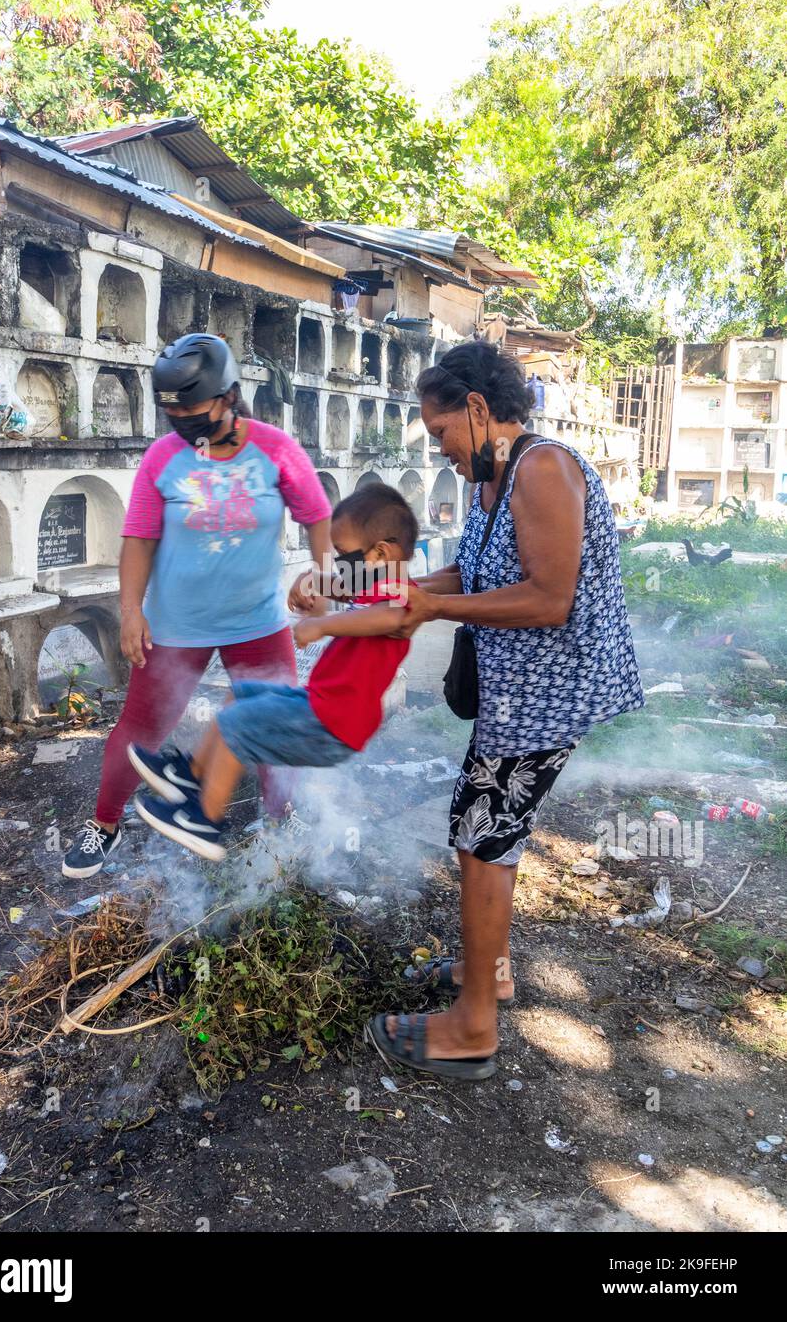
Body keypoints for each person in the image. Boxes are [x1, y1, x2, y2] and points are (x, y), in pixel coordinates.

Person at [365, 341, 644, 1081]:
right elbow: (484, 571)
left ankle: (474, 1027)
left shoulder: (543, 468)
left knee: (481, 831)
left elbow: (549, 598)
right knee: (482, 826)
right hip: (517, 692)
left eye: (441, 433)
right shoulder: (496, 480)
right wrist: (415, 591)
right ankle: (492, 972)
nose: (440, 451)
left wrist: (434, 608)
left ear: (480, 410)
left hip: (552, 690)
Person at [61, 333, 333, 880]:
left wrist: (323, 574)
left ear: (229, 395)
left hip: (257, 620)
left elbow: (317, 515)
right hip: (176, 626)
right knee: (141, 730)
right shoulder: (163, 458)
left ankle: (282, 818)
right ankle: (104, 824)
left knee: (270, 721)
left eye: (191, 404)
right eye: (172, 408)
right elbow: (138, 537)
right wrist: (132, 612)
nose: (181, 416)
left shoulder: (277, 449)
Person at [128, 484, 417, 859]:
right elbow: (345, 588)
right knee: (244, 692)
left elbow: (389, 616)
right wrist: (311, 583)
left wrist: (323, 625)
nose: (339, 562)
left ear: (381, 552)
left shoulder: (402, 595)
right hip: (320, 705)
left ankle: (203, 822)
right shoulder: (378, 579)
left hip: (334, 723)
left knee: (240, 724)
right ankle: (193, 775)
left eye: (344, 554)